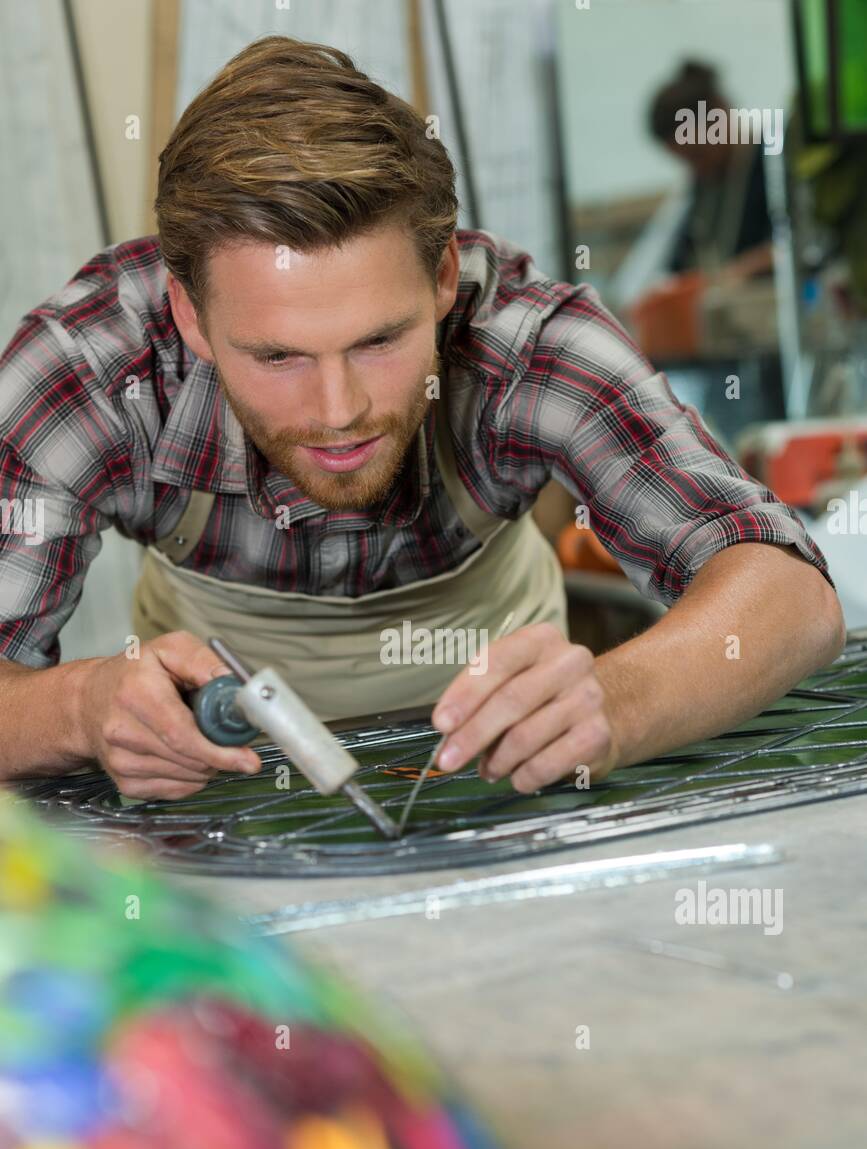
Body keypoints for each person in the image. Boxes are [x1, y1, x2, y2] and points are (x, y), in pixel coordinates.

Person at [0, 37, 844, 803]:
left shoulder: (524, 340)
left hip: (510, 785)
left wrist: (617, 703)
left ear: (444, 277)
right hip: (219, 799)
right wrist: (81, 707)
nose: (339, 412)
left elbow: (792, 597)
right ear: (188, 315)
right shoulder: (92, 369)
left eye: (378, 341)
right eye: (278, 357)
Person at [647, 59, 775, 284]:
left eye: (698, 154)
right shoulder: (705, 186)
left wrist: (747, 267)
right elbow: (679, 265)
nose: (698, 168)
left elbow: (798, 244)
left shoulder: (772, 163)